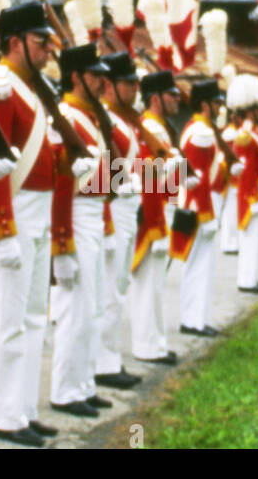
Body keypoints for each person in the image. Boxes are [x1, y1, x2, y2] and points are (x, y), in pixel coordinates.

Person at [0, 1, 65, 446]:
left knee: (33, 316)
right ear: (15, 44)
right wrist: (0, 228)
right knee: (7, 318)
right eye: (39, 41)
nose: (48, 50)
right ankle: (2, 412)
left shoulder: (30, 88)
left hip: (39, 210)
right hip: (14, 213)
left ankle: (24, 407)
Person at [49, 42, 112, 417]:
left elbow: (105, 172)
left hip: (94, 213)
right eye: (95, 76)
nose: (102, 82)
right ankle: (65, 390)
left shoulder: (90, 115)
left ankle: (84, 383)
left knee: (92, 308)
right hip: (75, 215)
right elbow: (60, 184)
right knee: (74, 309)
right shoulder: (66, 118)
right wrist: (62, 244)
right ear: (76, 78)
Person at [95, 52, 144, 391]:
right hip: (115, 207)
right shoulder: (104, 120)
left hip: (129, 206)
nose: (135, 88)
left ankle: (108, 357)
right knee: (109, 288)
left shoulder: (122, 120)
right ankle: (103, 362)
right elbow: (103, 176)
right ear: (110, 85)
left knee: (119, 285)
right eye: (129, 83)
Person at [131, 71, 184, 365]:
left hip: (164, 211)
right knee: (148, 284)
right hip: (153, 215)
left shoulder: (160, 128)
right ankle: (146, 344)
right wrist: (158, 224)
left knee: (156, 284)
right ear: (155, 99)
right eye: (171, 94)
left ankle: (156, 341)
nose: (177, 98)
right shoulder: (149, 128)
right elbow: (148, 177)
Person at [172, 79, 224, 337]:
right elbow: (198, 180)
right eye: (216, 103)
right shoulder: (201, 133)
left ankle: (197, 319)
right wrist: (207, 215)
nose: (219, 108)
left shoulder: (199, 128)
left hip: (198, 204)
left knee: (201, 265)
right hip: (198, 206)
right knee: (198, 265)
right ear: (205, 104)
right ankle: (192, 320)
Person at [226, 75, 258, 294]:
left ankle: (249, 278)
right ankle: (247, 280)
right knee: (250, 240)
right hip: (252, 194)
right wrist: (252, 198)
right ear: (251, 111)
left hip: (257, 192)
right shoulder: (246, 136)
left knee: (253, 240)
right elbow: (247, 171)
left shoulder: (251, 133)